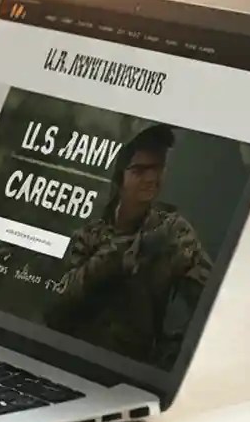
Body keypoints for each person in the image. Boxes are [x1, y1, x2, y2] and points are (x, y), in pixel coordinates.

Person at [44, 125, 211, 369]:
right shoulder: (89, 236)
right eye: (140, 170)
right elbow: (55, 308)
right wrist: (113, 259)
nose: (152, 178)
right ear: (119, 178)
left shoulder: (173, 231)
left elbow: (207, 299)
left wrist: (172, 354)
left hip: (131, 370)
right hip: (70, 362)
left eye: (158, 168)